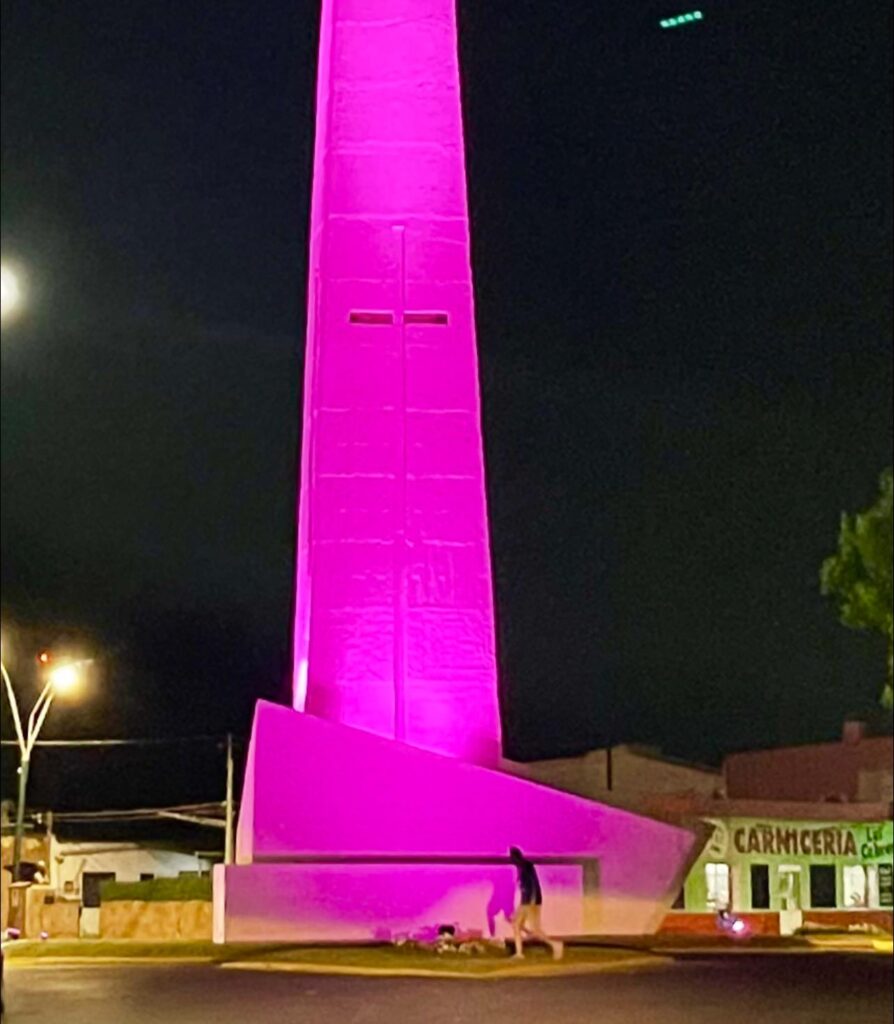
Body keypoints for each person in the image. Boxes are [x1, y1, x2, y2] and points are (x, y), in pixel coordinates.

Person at [508, 846, 563, 960]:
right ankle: (519, 953)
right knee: (516, 924)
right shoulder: (521, 867)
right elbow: (525, 887)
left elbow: (533, 884)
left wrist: (532, 901)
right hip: (526, 901)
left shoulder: (527, 866)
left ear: (516, 856)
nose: (511, 859)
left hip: (531, 902)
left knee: (535, 929)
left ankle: (555, 945)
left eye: (512, 857)